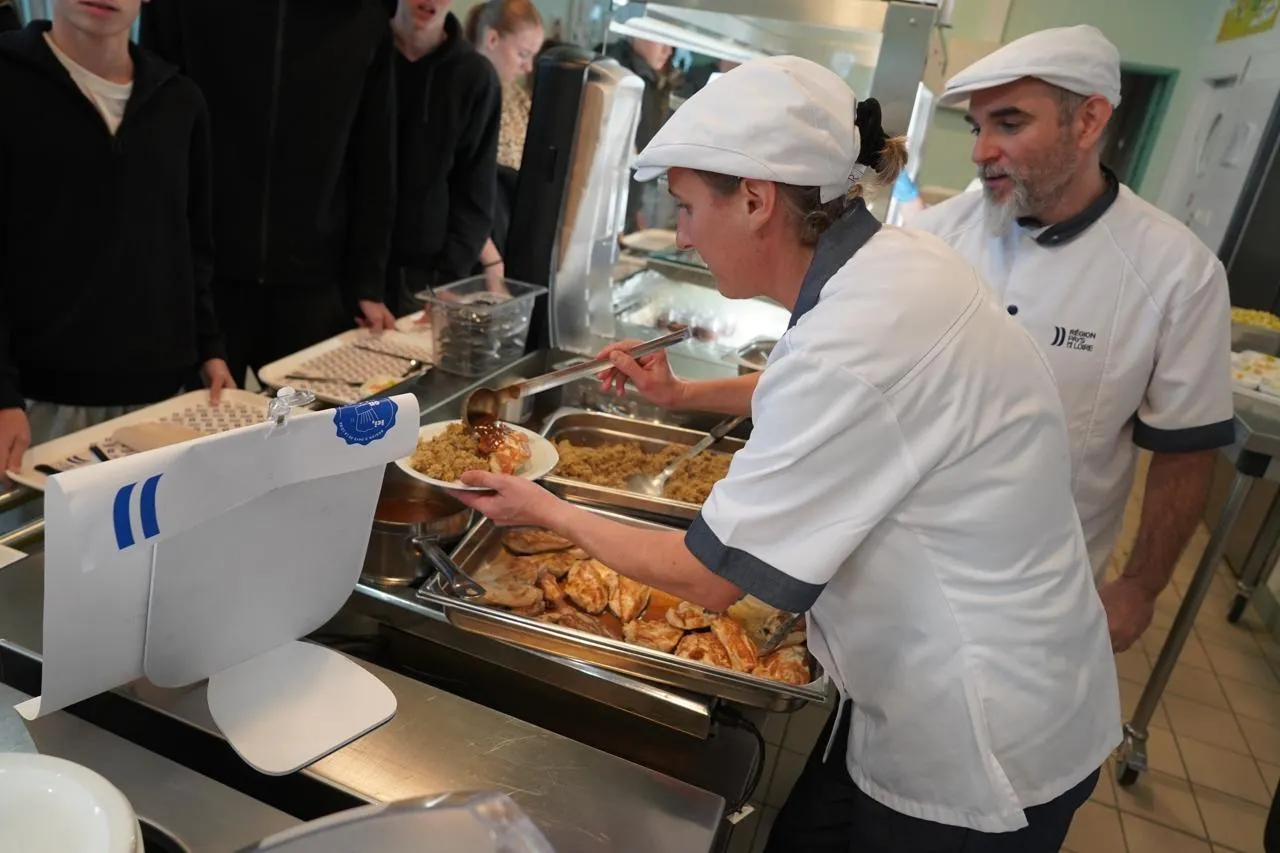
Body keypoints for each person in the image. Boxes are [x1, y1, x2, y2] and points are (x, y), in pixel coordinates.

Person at [452, 57, 1119, 852]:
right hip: (959, 682)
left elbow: (709, 575)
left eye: (690, 208)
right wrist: (684, 396)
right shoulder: (893, 265)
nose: (685, 232)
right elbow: (848, 401)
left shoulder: (852, 335)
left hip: (973, 738)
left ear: (758, 200)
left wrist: (544, 507)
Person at [909, 25, 1234, 653]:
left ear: (1087, 122)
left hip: (1038, 601)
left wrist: (1141, 586)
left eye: (1008, 124)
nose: (980, 152)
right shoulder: (934, 238)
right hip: (898, 569)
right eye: (979, 128)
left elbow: (1185, 452)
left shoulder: (1177, 273)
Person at [0, 0, 233, 480]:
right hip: (37, 401)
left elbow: (194, 243)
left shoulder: (182, 101)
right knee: (44, 553)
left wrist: (210, 346)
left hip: (164, 394)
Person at [139, 0, 397, 385]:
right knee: (197, 436)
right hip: (203, 273)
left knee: (308, 435)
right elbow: (154, 134)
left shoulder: (365, 14)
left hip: (315, 277)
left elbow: (375, 153)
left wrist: (368, 280)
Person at [386, 0, 502, 313]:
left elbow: (475, 194)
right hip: (341, 277)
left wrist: (449, 280)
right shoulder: (362, 52)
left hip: (427, 280)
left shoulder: (476, 77)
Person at [465, 0, 544, 283]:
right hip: (470, 257)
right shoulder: (461, 92)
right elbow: (460, 188)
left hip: (505, 248)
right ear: (492, 39)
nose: (528, 67)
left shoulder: (519, 101)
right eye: (523, 53)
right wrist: (491, 259)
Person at [606, 36, 676, 232]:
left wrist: (633, 209)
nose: (667, 51)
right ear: (636, 34)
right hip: (608, 209)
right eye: (661, 39)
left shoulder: (649, 79)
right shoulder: (623, 77)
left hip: (624, 208)